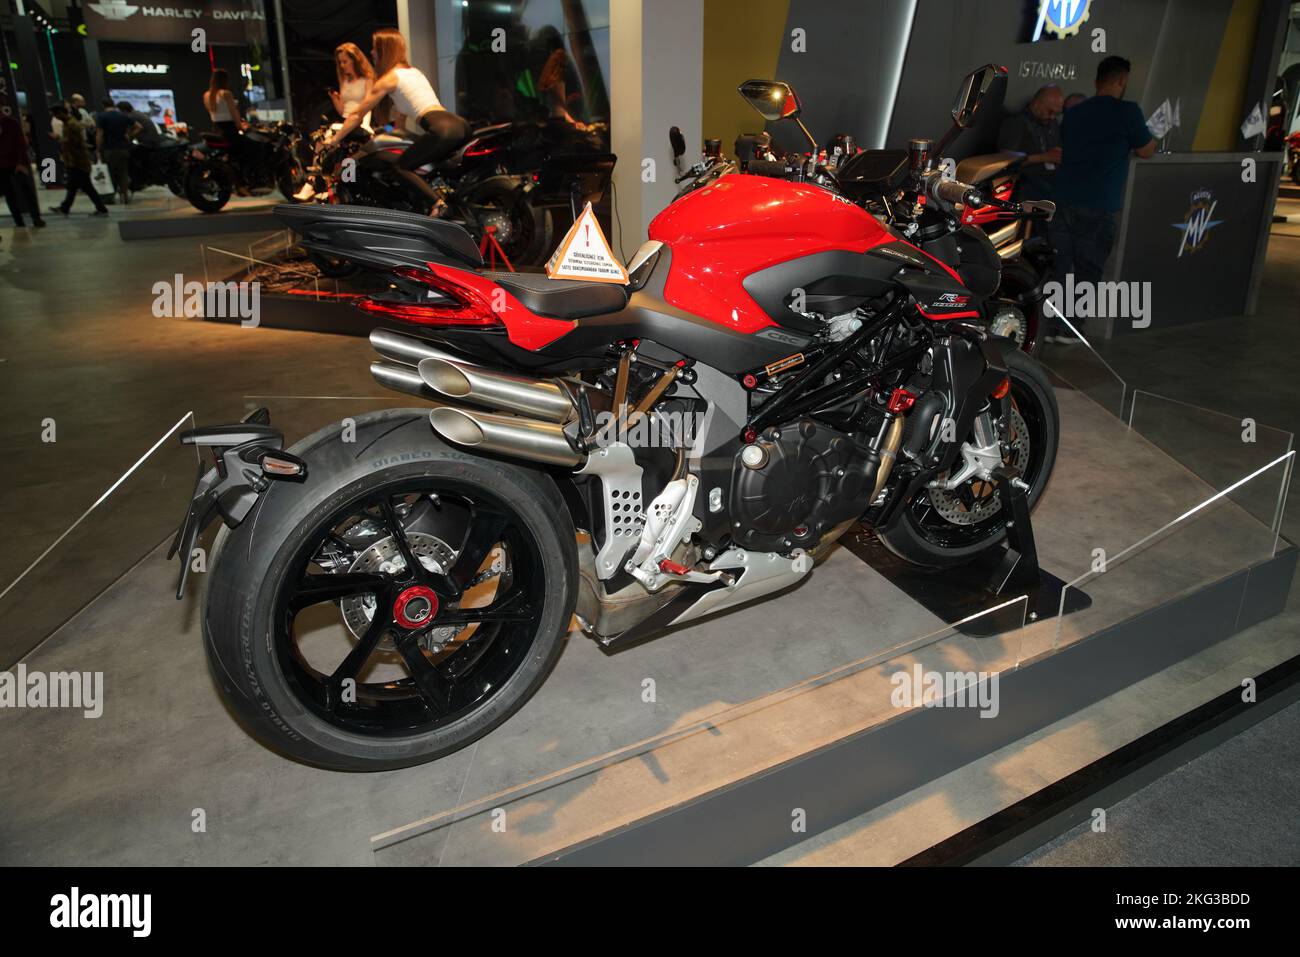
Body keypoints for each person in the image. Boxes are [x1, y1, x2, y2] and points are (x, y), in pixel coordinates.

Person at [1047, 56, 1155, 340]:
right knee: (1088, 271)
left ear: (1096, 81)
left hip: (1063, 200)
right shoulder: (1128, 112)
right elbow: (1146, 150)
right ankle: (1070, 329)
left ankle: (1048, 327)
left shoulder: (1074, 113)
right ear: (1122, 80)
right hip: (1098, 205)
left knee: (1059, 267)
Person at [326, 28, 470, 214]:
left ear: (385, 50)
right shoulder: (413, 72)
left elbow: (356, 115)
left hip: (441, 128)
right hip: (456, 124)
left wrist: (334, 140)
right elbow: (400, 124)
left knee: (400, 167)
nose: (372, 53)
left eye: (375, 48)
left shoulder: (389, 79)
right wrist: (387, 134)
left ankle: (438, 205)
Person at [996, 84, 1063, 201]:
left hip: (1047, 182)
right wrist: (1044, 157)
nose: (1052, 117)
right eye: (1050, 111)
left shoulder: (1051, 124)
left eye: (1056, 114)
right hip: (1023, 187)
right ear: (1037, 104)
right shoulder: (1016, 123)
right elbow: (1005, 161)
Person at [47, 103, 108, 216]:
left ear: (60, 112)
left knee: (85, 187)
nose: (55, 117)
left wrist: (59, 138)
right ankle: (65, 208)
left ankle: (101, 209)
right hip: (74, 161)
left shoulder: (71, 125)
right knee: (74, 186)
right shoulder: (68, 123)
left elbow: (74, 143)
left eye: (56, 114)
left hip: (77, 162)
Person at [0, 110, 46, 228]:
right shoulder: (11, 122)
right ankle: (19, 221)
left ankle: (35, 218)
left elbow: (20, 143)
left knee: (25, 191)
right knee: (10, 194)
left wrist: (21, 162)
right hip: (5, 165)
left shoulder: (11, 123)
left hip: (15, 163)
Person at [96, 100, 135, 205]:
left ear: (103, 105)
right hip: (123, 148)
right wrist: (129, 136)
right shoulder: (123, 116)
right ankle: (125, 195)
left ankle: (110, 197)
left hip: (109, 149)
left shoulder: (101, 116)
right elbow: (138, 126)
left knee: (110, 173)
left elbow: (99, 134)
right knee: (123, 172)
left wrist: (98, 149)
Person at [329, 42, 375, 131]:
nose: (342, 65)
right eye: (340, 62)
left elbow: (368, 105)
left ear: (355, 60)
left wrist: (362, 123)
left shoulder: (367, 80)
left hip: (362, 122)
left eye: (345, 62)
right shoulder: (344, 81)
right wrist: (334, 99)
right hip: (346, 122)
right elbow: (342, 111)